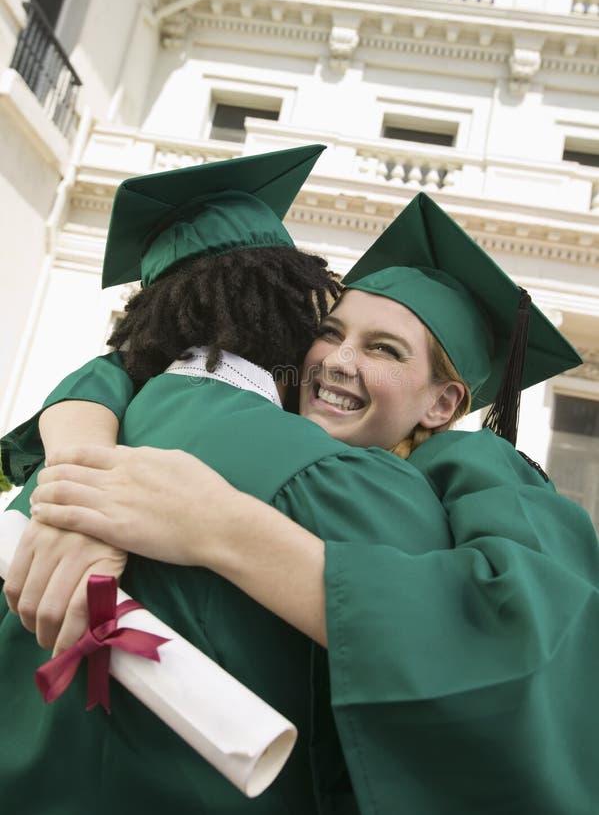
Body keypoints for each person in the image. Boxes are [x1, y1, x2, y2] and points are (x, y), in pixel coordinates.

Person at [18, 193, 599, 814]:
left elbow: (526, 636)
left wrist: (222, 525)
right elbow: (121, 370)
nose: (337, 362)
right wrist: (79, 496)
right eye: (329, 332)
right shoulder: (223, 414)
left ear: (442, 405)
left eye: (384, 349)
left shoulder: (472, 471)